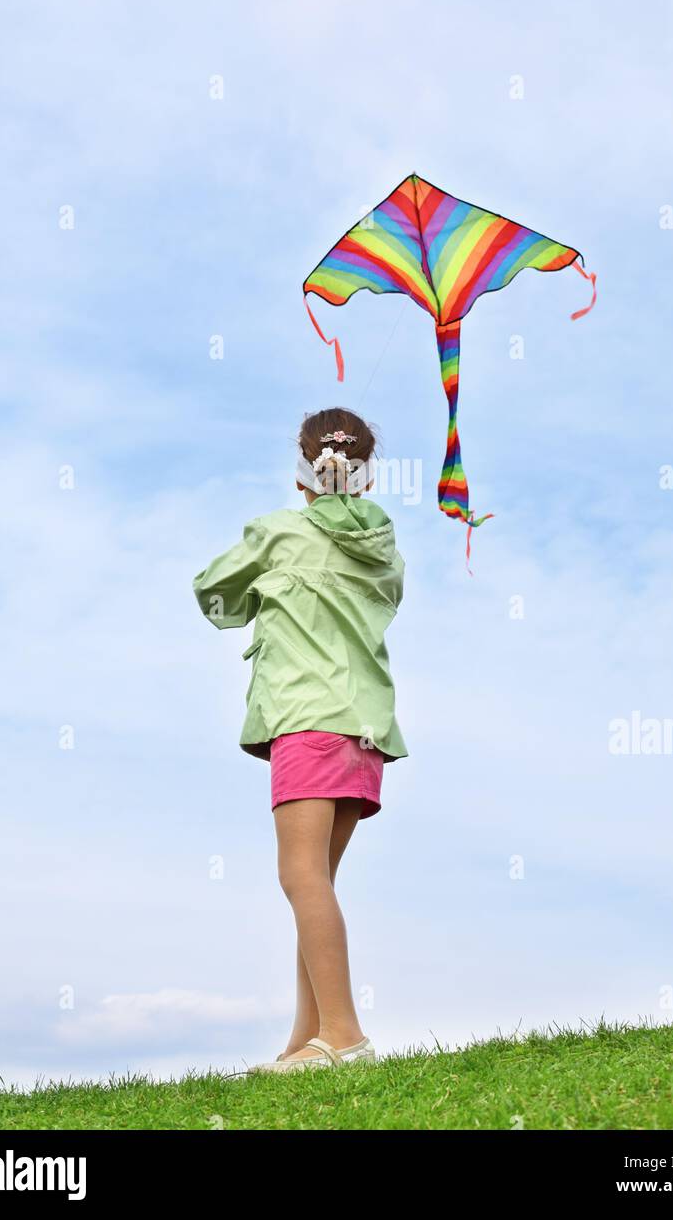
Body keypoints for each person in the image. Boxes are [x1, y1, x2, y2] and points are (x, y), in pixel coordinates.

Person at [193, 407, 407, 1073]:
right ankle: (304, 1042)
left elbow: (212, 594)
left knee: (300, 876)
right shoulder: (386, 553)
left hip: (308, 719)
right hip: (364, 729)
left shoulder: (278, 535)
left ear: (302, 478)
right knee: (317, 881)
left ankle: (344, 1036)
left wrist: (265, 583)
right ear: (366, 481)